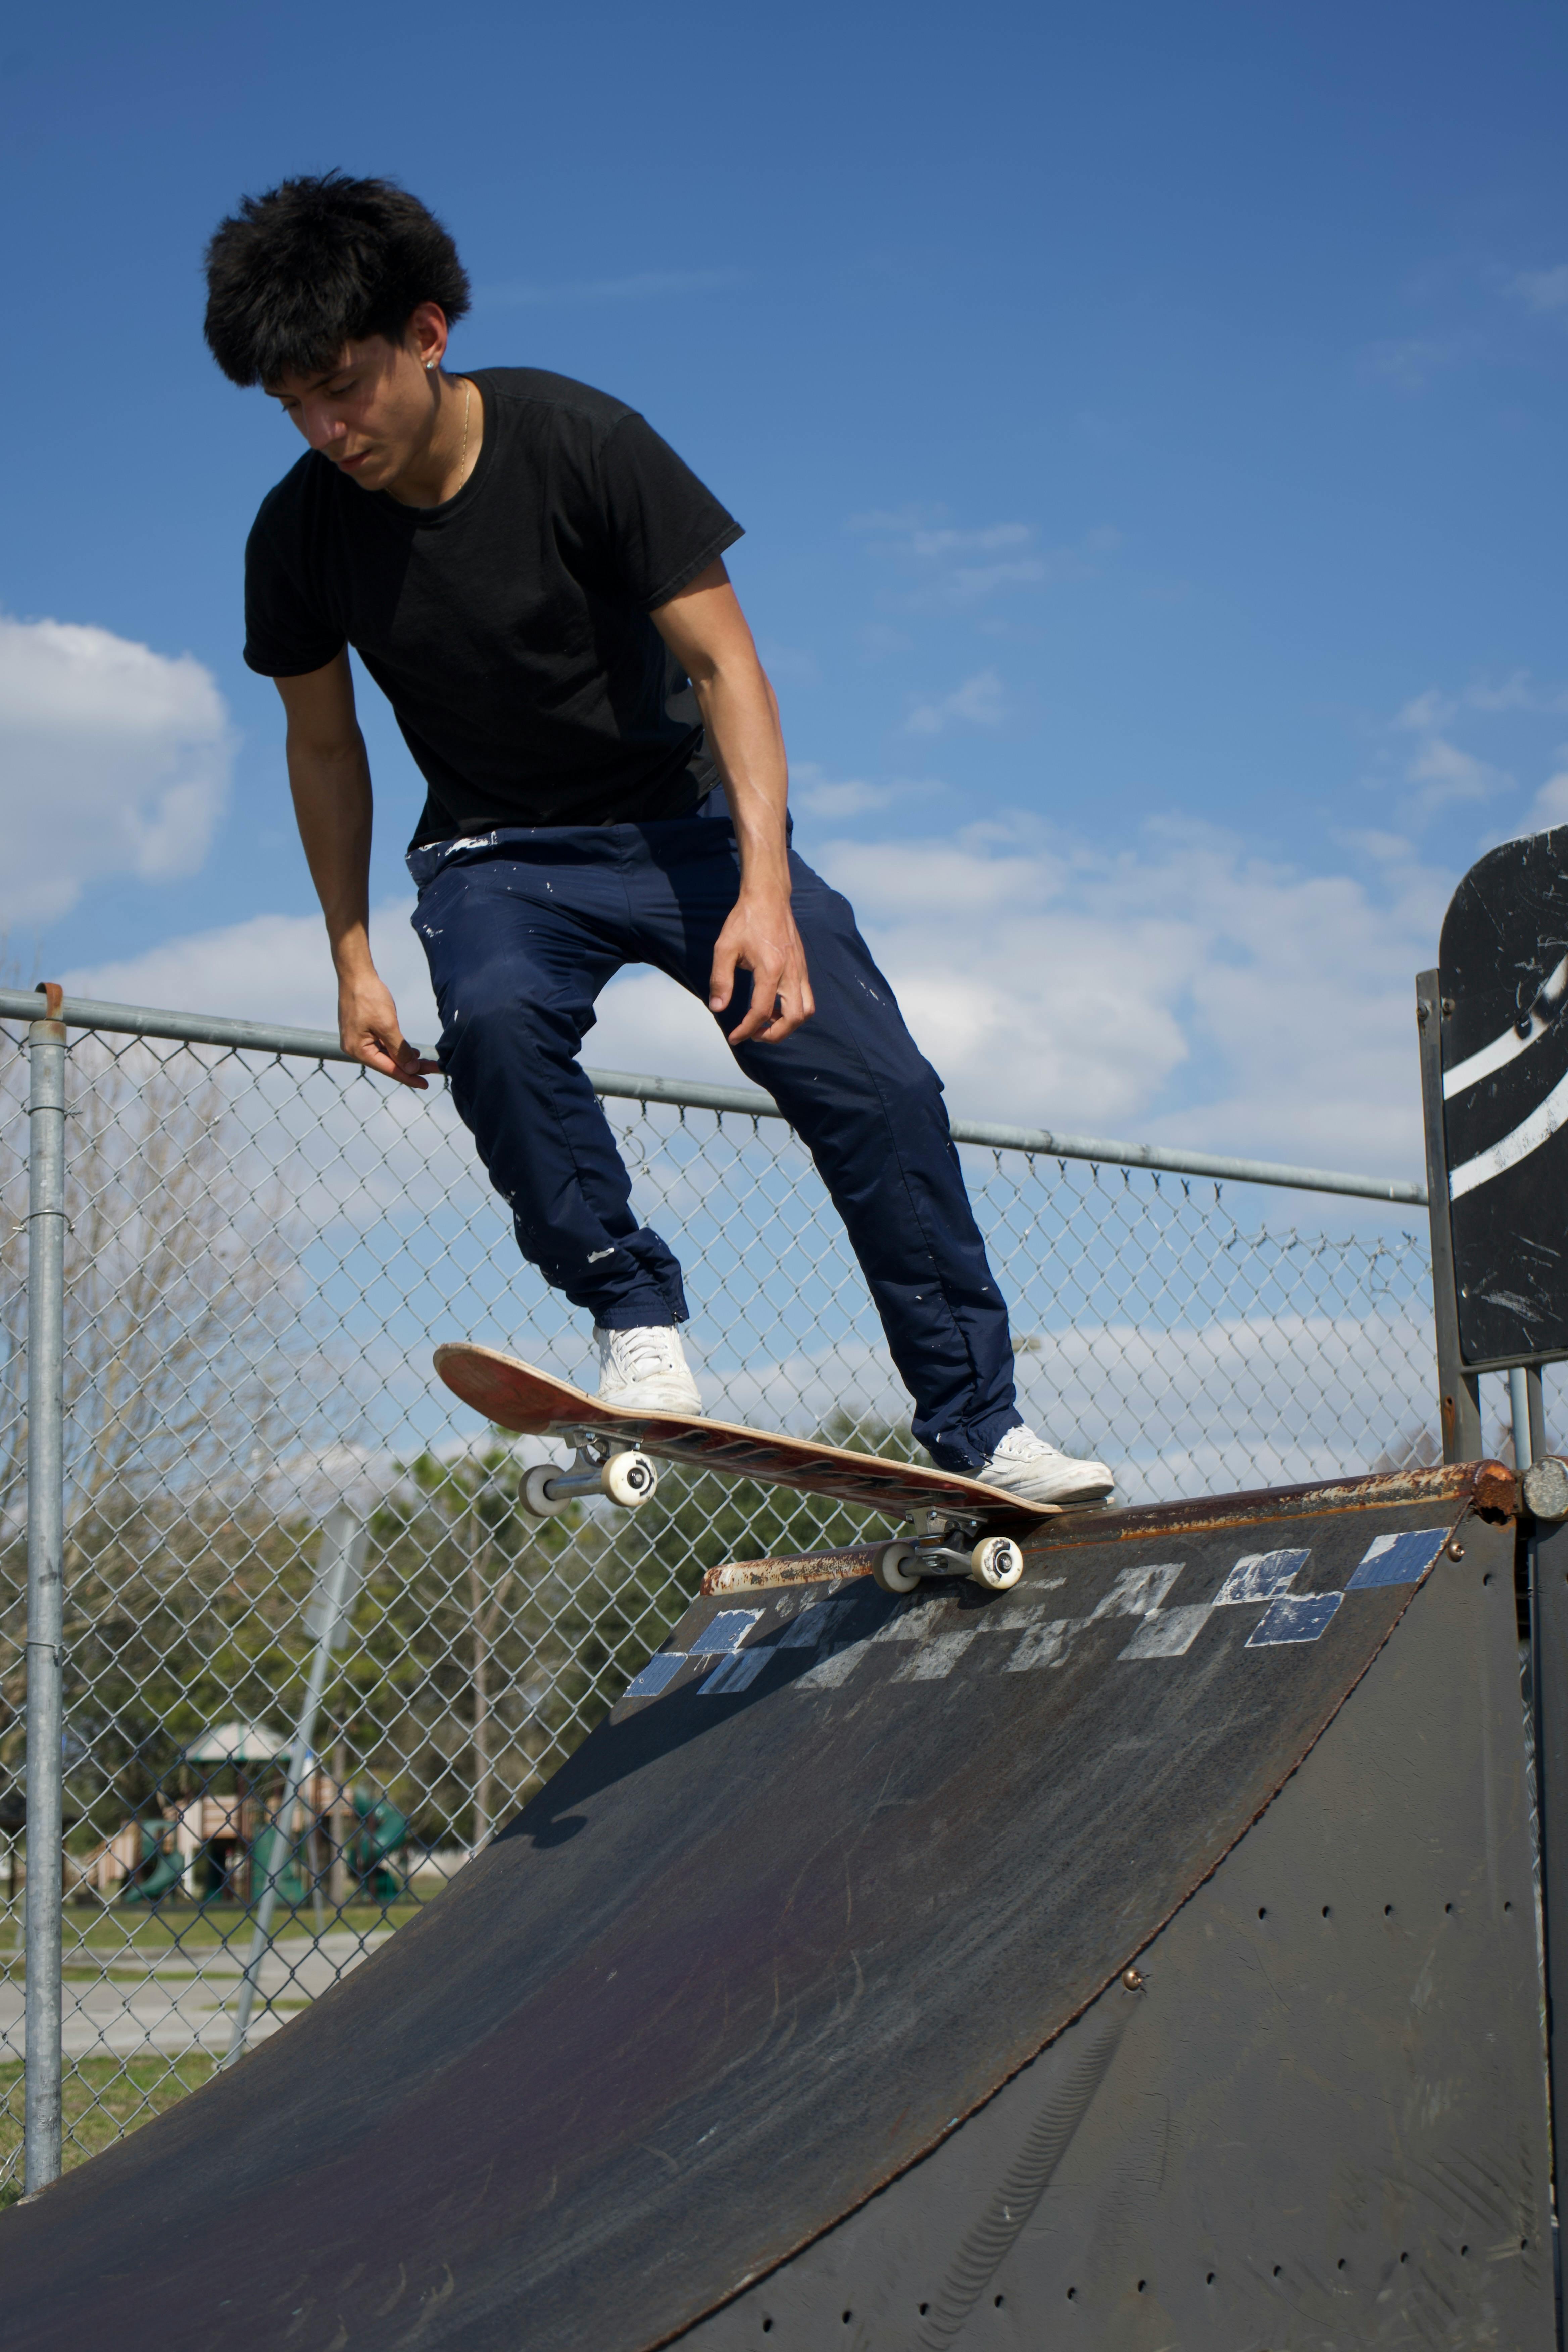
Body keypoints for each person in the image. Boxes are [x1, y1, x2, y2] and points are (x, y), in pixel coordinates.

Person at [203, 172, 1113, 1506]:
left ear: (427, 333)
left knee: (879, 1090)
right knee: (500, 1028)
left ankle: (979, 1424)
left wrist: (763, 889)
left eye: (345, 385)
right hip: (495, 857)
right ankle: (632, 1318)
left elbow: (729, 668)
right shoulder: (295, 535)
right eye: (293, 405)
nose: (328, 428)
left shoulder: (585, 444)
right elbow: (321, 745)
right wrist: (350, 955)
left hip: (684, 828)